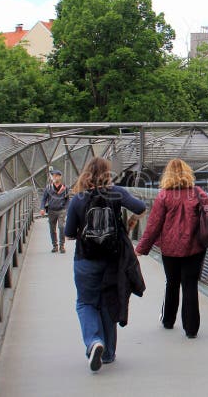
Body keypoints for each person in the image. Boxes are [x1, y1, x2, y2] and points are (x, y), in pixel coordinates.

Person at [64, 157, 146, 372]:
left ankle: (93, 342)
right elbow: (140, 206)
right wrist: (130, 223)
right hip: (113, 260)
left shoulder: (79, 198)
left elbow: (69, 233)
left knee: (85, 303)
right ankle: (108, 354)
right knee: (109, 301)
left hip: (85, 260)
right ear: (107, 173)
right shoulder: (116, 192)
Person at [135, 158, 208, 339]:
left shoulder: (164, 196)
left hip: (170, 248)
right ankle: (191, 329)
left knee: (172, 283)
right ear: (187, 173)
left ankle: (168, 320)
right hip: (195, 247)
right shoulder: (198, 193)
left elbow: (153, 225)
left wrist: (141, 248)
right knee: (190, 284)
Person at [39, 169, 69, 253]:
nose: (54, 177)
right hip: (51, 210)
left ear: (60, 177)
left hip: (61, 210)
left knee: (61, 227)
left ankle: (62, 245)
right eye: (53, 175)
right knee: (52, 229)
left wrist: (66, 209)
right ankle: (55, 246)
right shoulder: (48, 188)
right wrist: (42, 208)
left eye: (56, 175)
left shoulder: (65, 188)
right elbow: (44, 199)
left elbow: (67, 200)